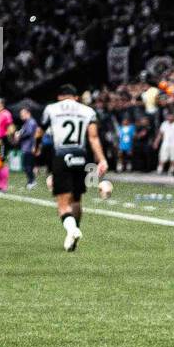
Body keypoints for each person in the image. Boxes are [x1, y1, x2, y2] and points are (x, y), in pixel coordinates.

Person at [35, 84, 108, 252]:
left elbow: (39, 132)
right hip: (80, 156)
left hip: (62, 156)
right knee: (76, 200)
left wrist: (37, 147)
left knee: (62, 203)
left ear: (60, 96)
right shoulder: (87, 111)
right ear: (76, 97)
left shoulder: (51, 109)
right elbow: (93, 137)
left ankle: (72, 229)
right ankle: (75, 231)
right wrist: (101, 159)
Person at [16, 107, 39, 189]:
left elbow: (29, 133)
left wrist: (19, 135)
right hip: (26, 146)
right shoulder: (26, 123)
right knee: (27, 166)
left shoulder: (31, 122)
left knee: (28, 166)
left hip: (29, 147)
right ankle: (31, 181)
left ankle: (32, 181)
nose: (21, 115)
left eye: (22, 113)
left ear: (28, 113)